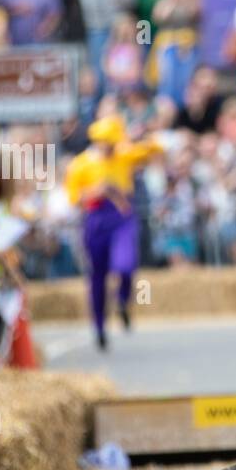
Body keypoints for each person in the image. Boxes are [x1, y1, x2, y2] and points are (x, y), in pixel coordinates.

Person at [63, 115, 161, 349]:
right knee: (97, 276)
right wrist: (98, 191)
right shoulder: (81, 164)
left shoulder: (125, 154)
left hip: (122, 215)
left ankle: (123, 301)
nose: (110, 146)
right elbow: (74, 198)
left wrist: (142, 135)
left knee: (126, 265)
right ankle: (99, 326)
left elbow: (155, 150)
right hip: (95, 219)